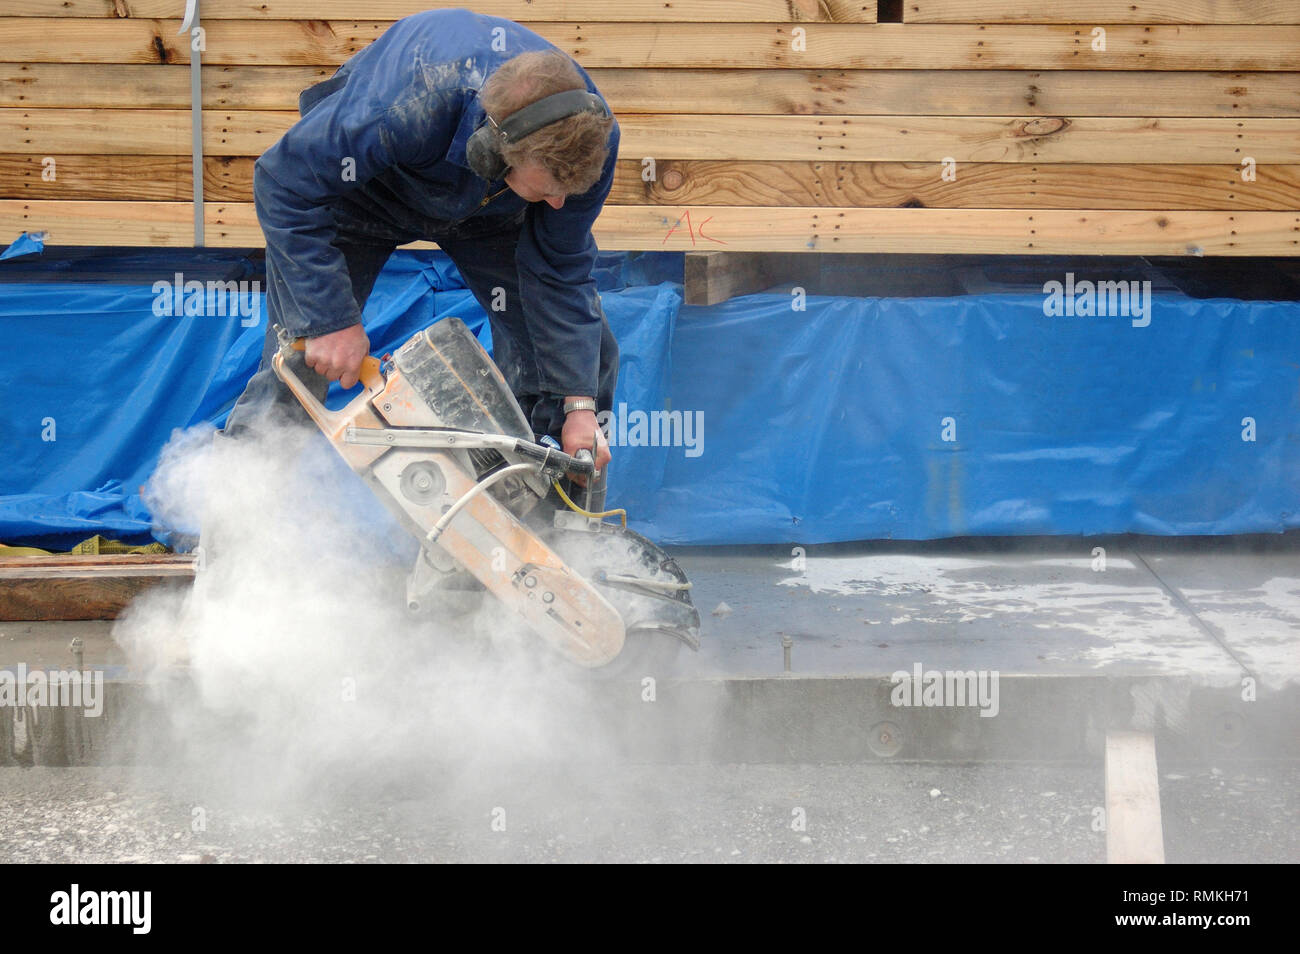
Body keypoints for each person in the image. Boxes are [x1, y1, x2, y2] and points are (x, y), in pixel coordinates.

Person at [223, 9, 618, 489]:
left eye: (566, 194)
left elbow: (561, 269)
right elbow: (282, 182)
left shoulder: (590, 139)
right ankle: (237, 518)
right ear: (490, 151)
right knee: (303, 360)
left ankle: (537, 525)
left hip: (494, 209)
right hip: (364, 191)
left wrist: (579, 404)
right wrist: (326, 320)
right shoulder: (407, 103)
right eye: (548, 191)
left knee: (582, 358)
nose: (559, 204)